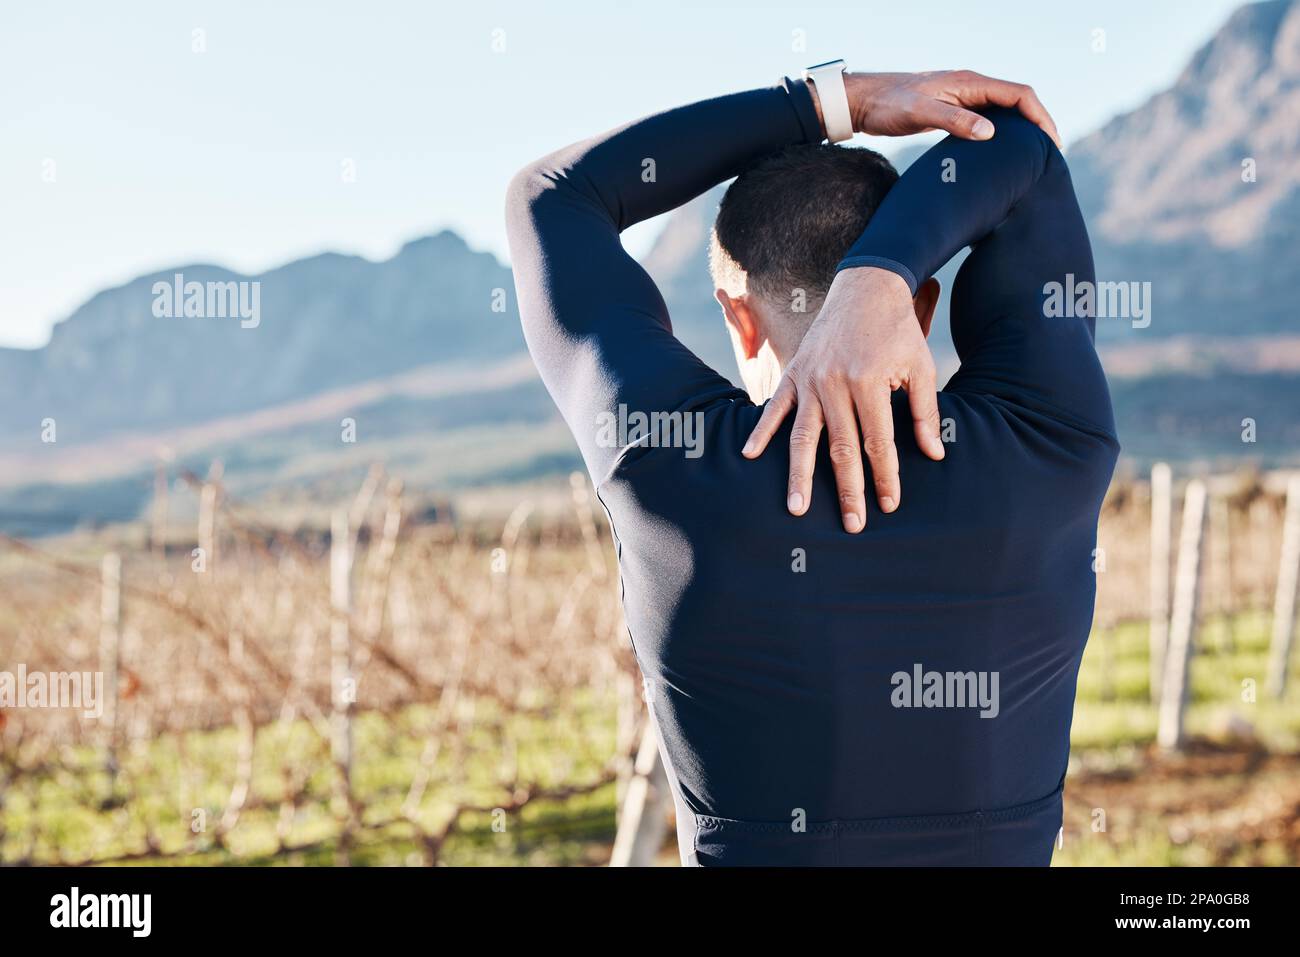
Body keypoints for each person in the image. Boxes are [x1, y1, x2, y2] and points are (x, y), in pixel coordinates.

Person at [506, 67, 1117, 866]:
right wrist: (883, 273)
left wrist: (841, 103)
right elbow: (1021, 143)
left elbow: (550, 195)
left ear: (739, 317)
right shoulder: (1053, 439)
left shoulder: (666, 466)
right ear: (924, 307)